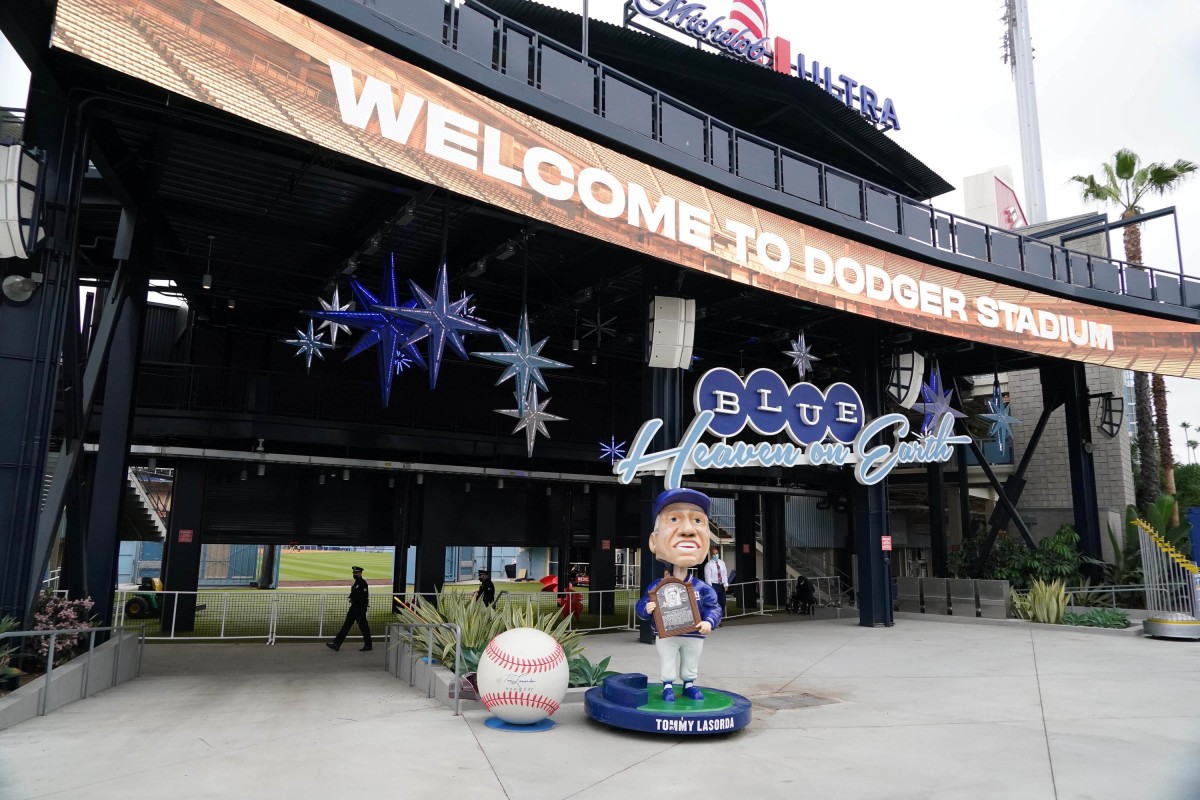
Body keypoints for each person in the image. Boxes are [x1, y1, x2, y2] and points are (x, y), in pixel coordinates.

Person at [635, 488, 723, 703]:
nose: (688, 530)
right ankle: (667, 685)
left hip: (694, 634)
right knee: (667, 660)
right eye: (674, 519)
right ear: (654, 541)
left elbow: (714, 608)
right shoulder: (658, 587)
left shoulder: (701, 588)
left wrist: (709, 622)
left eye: (697, 521)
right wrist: (646, 609)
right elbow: (642, 607)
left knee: (691, 661)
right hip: (667, 635)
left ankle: (689, 684)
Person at [326, 565, 372, 652]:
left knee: (363, 628)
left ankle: (368, 645)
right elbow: (354, 593)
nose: (354, 574)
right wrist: (351, 598)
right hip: (354, 608)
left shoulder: (362, 583)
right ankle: (336, 644)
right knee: (346, 626)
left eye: (356, 573)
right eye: (354, 573)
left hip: (359, 610)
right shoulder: (357, 583)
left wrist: (353, 599)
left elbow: (363, 597)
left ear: (360, 573)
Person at [703, 544, 730, 615]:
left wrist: (726, 584)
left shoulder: (722, 563)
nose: (715, 555)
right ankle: (715, 617)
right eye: (714, 554)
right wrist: (710, 588)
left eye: (717, 553)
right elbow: (708, 578)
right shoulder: (708, 565)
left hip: (721, 585)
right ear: (711, 555)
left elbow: (724, 574)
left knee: (723, 602)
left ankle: (720, 615)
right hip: (714, 585)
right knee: (715, 602)